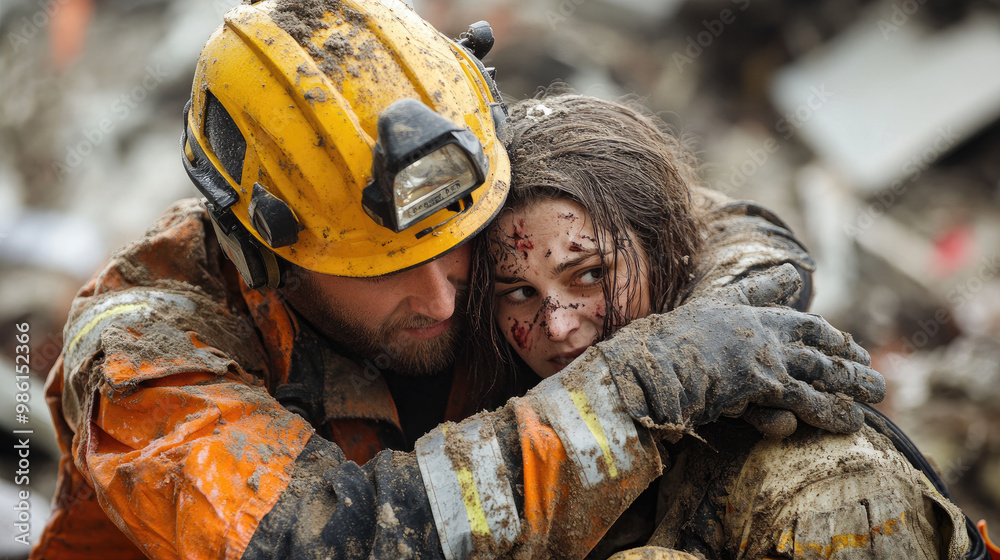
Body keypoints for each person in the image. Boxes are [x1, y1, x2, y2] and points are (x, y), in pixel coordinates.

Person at [31, 1, 886, 559]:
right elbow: (335, 543)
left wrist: (712, 333)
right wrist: (636, 388)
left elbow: (714, 231)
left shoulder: (475, 165)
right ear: (265, 251)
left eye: (460, 245)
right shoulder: (144, 354)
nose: (445, 298)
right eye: (387, 272)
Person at [471, 93, 985, 559]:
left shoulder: (823, 484)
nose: (557, 326)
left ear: (663, 254)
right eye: (518, 292)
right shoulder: (489, 412)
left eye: (590, 274)